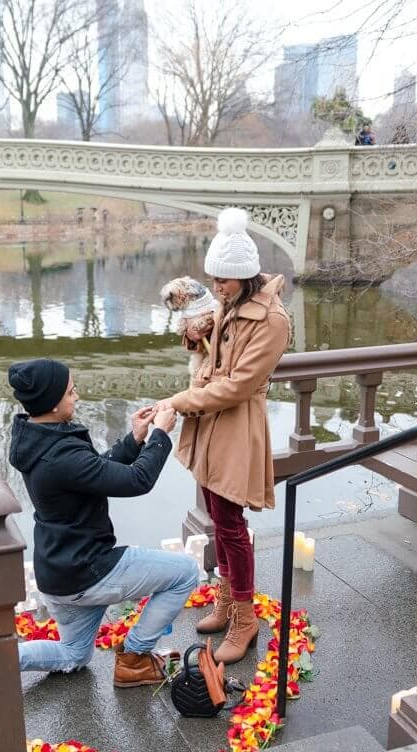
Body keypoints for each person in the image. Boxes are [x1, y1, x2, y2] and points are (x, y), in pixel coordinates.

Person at [8, 358, 200, 687]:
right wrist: (159, 436)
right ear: (53, 403)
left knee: (74, 655)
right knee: (185, 573)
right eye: (71, 392)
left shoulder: (36, 439)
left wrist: (134, 440)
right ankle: (135, 658)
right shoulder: (61, 454)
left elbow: (94, 470)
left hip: (58, 574)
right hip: (89, 570)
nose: (77, 396)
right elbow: (138, 480)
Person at [155, 208, 291, 664]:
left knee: (231, 523)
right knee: (218, 517)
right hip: (212, 422)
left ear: (246, 276)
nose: (217, 288)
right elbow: (215, 364)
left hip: (235, 425)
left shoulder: (272, 321)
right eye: (213, 280)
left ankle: (246, 617)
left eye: (224, 281)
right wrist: (196, 340)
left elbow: (238, 386)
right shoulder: (227, 307)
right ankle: (228, 598)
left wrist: (177, 401)